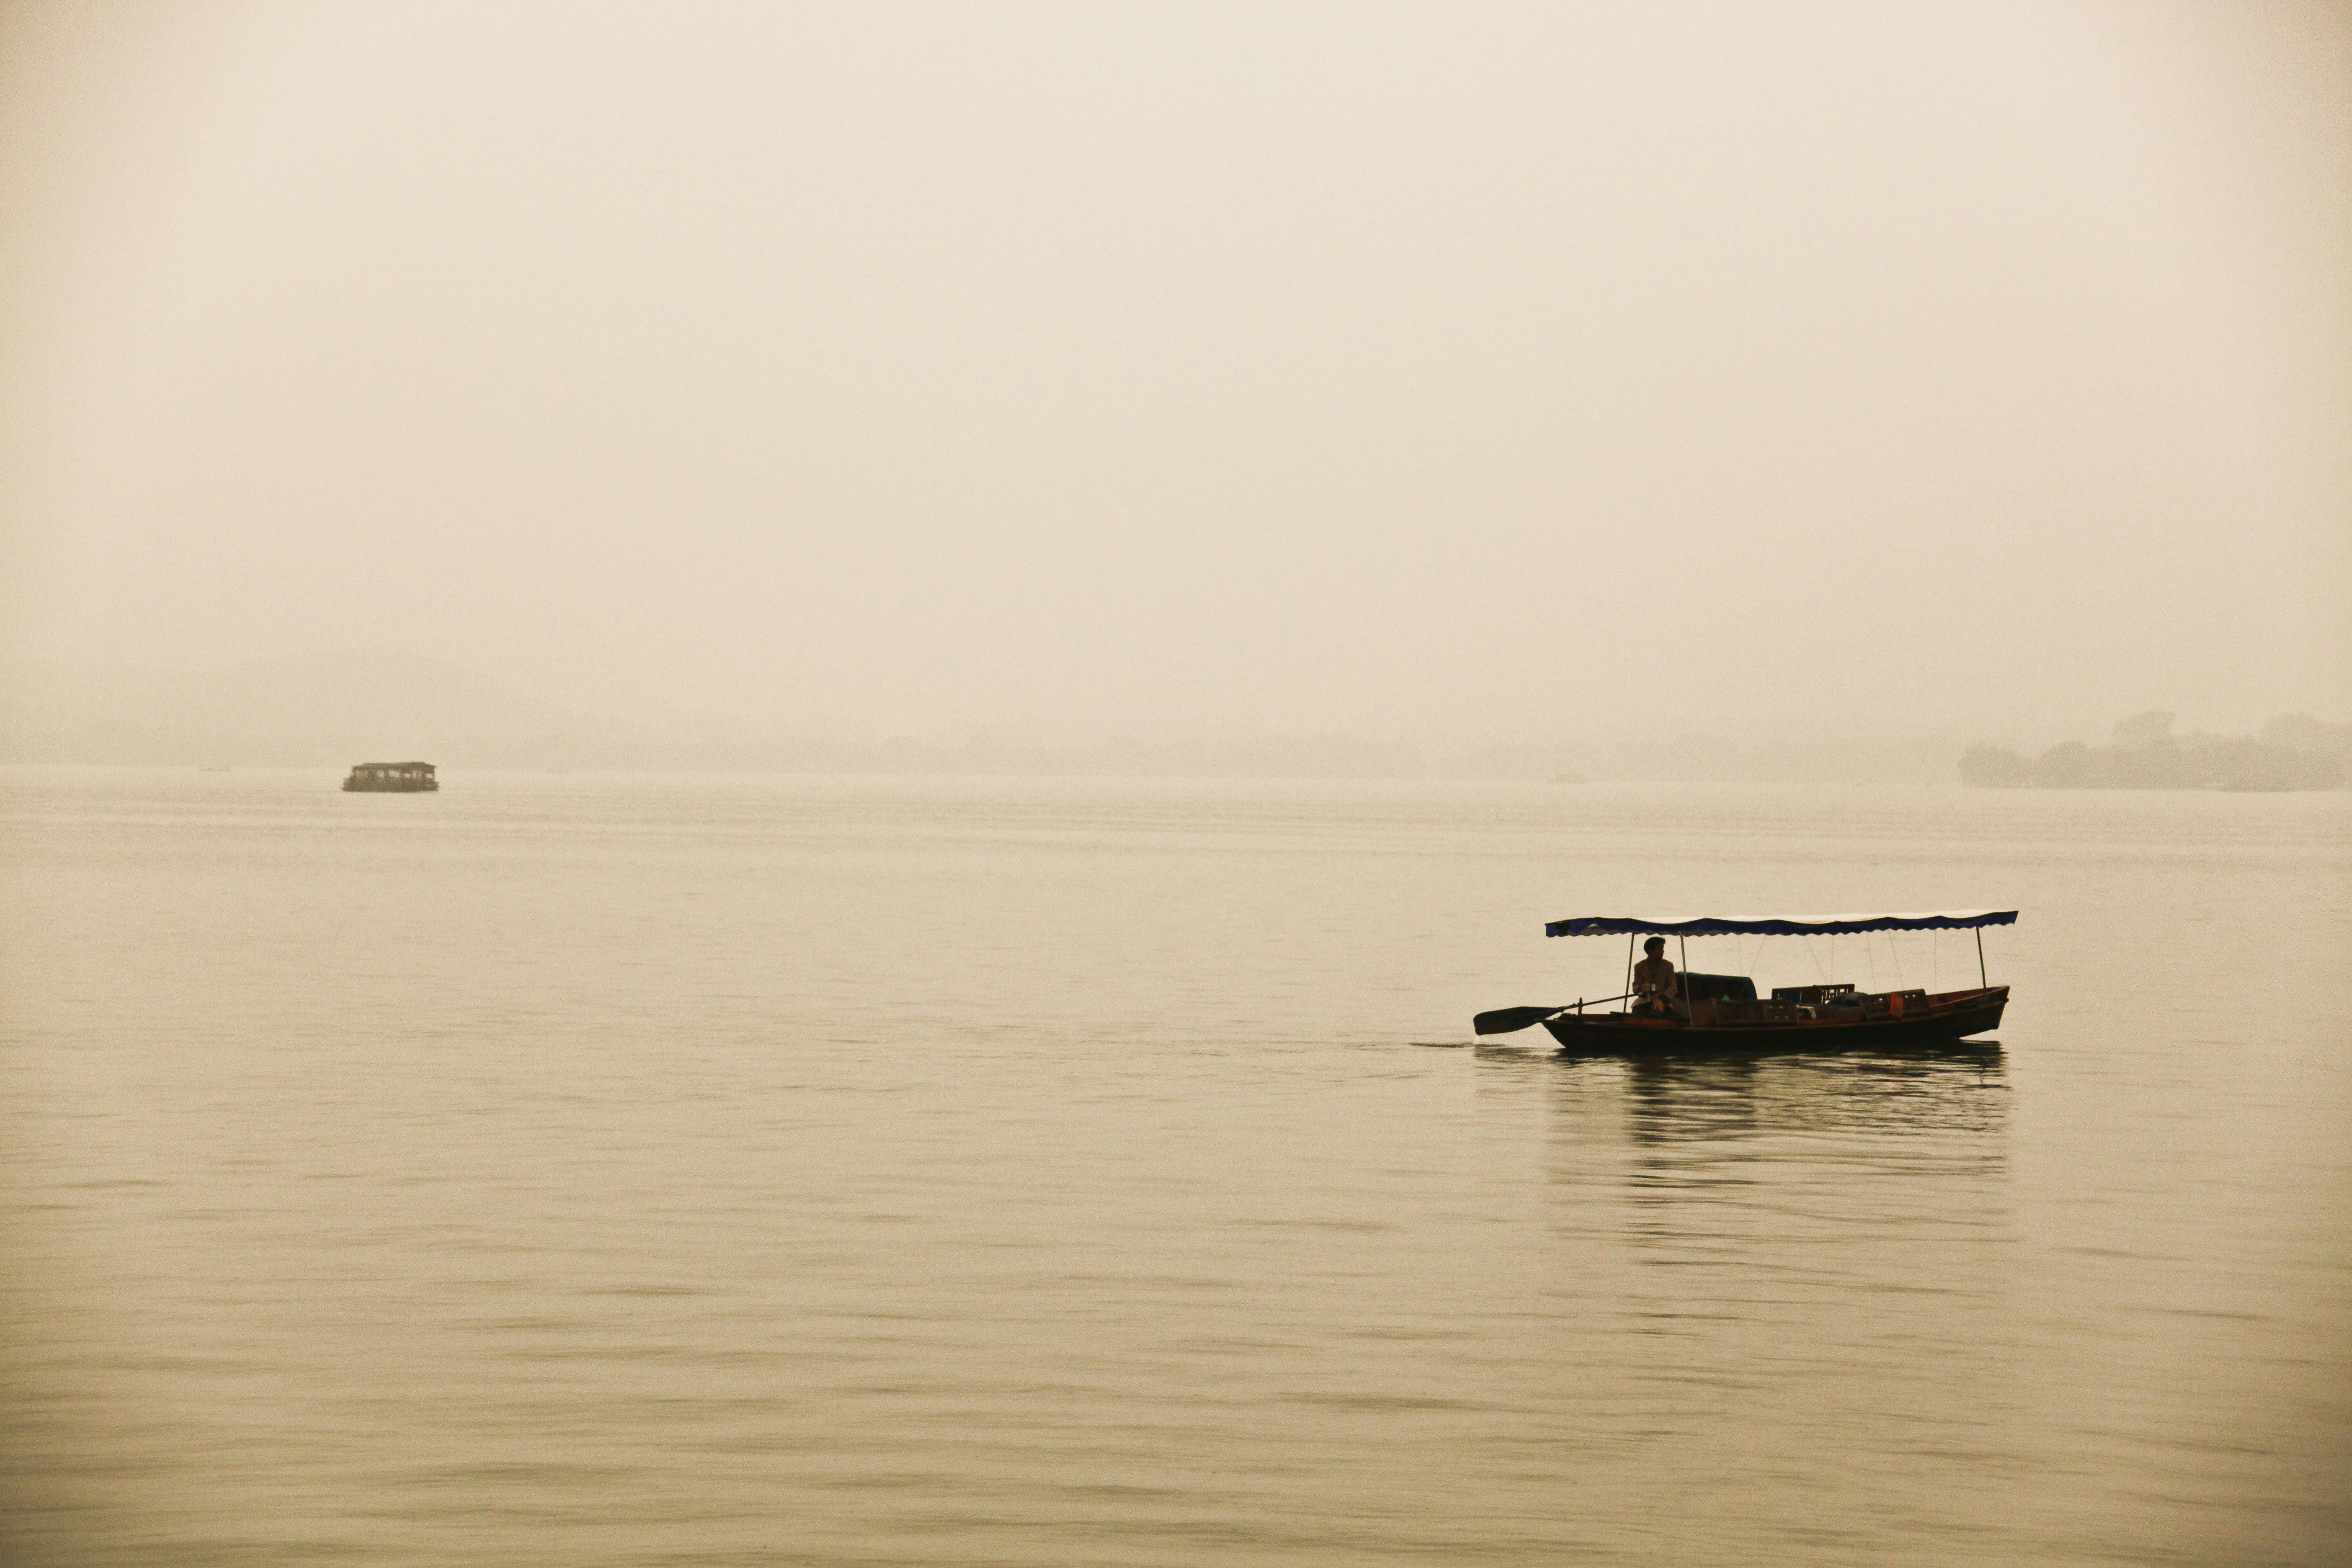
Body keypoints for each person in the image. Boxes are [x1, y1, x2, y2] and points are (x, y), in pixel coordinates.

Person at [1631, 936, 1680, 1018]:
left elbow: (1673, 987)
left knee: (1657, 1013)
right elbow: (1635, 987)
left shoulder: (1668, 966)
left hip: (1662, 1001)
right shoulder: (1639, 966)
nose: (1663, 952)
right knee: (1636, 1014)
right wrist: (1641, 989)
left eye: (1663, 948)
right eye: (1660, 949)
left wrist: (1661, 999)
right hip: (1644, 1001)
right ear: (1651, 951)